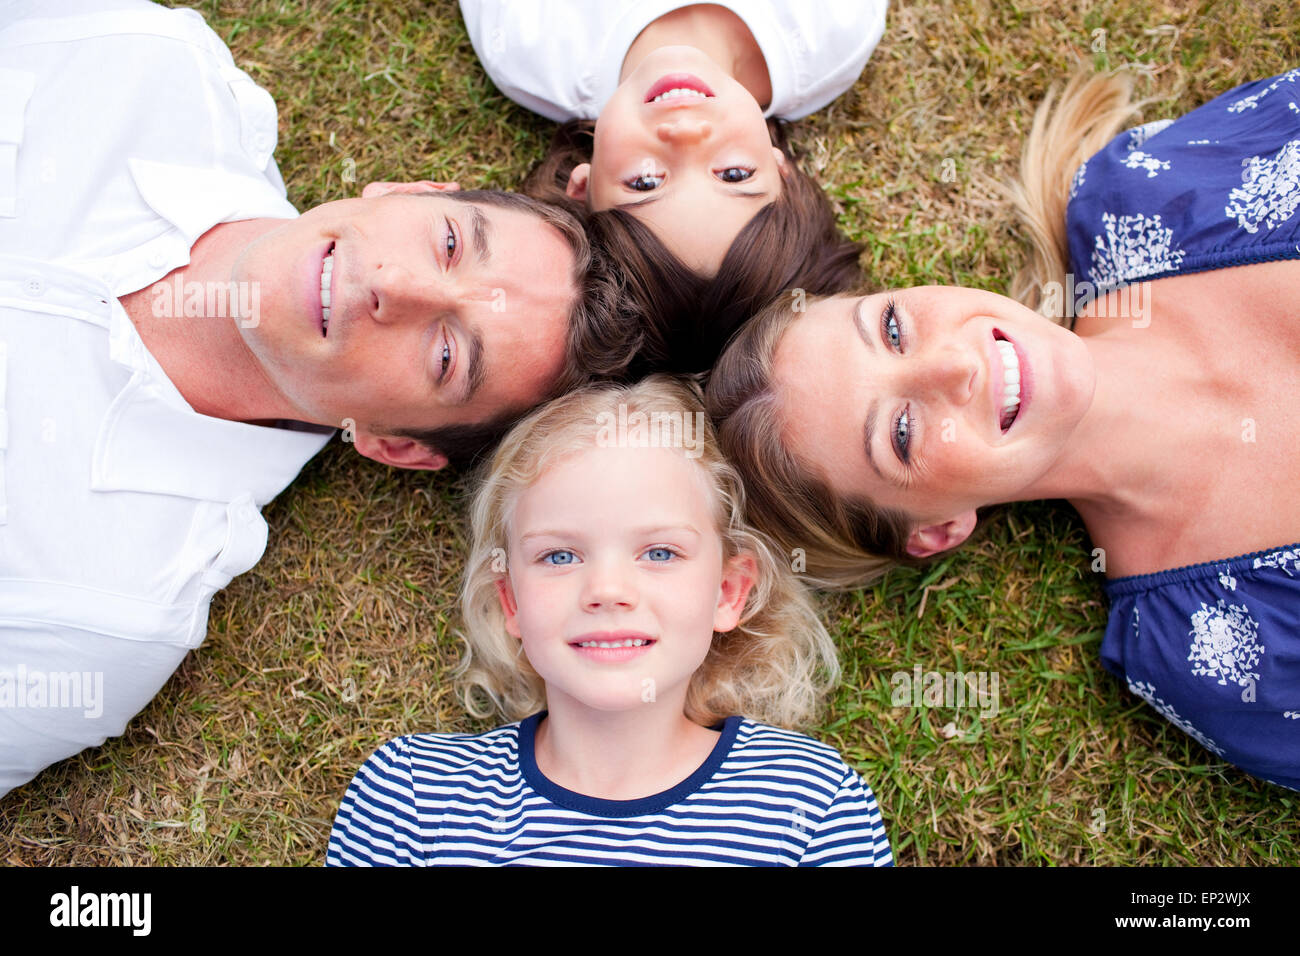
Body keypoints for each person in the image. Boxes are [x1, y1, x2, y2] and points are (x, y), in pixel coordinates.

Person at [0, 0, 636, 798]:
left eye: (446, 353)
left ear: (396, 444)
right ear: (407, 188)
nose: (392, 285)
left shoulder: (100, 610)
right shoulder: (145, 63)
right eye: (446, 241)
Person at [705, 68, 1300, 790]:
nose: (954, 365)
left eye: (892, 327)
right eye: (900, 433)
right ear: (935, 530)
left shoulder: (1150, 198)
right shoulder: (1212, 653)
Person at [326, 377, 893, 865]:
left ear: (727, 592)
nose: (607, 591)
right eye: (559, 556)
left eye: (660, 553)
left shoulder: (808, 803)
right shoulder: (415, 799)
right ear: (512, 601)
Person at [459, 0, 885, 371]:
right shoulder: (836, 29)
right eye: (734, 174)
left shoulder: (529, 48)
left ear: (582, 186)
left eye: (644, 181)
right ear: (783, 170)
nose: (684, 131)